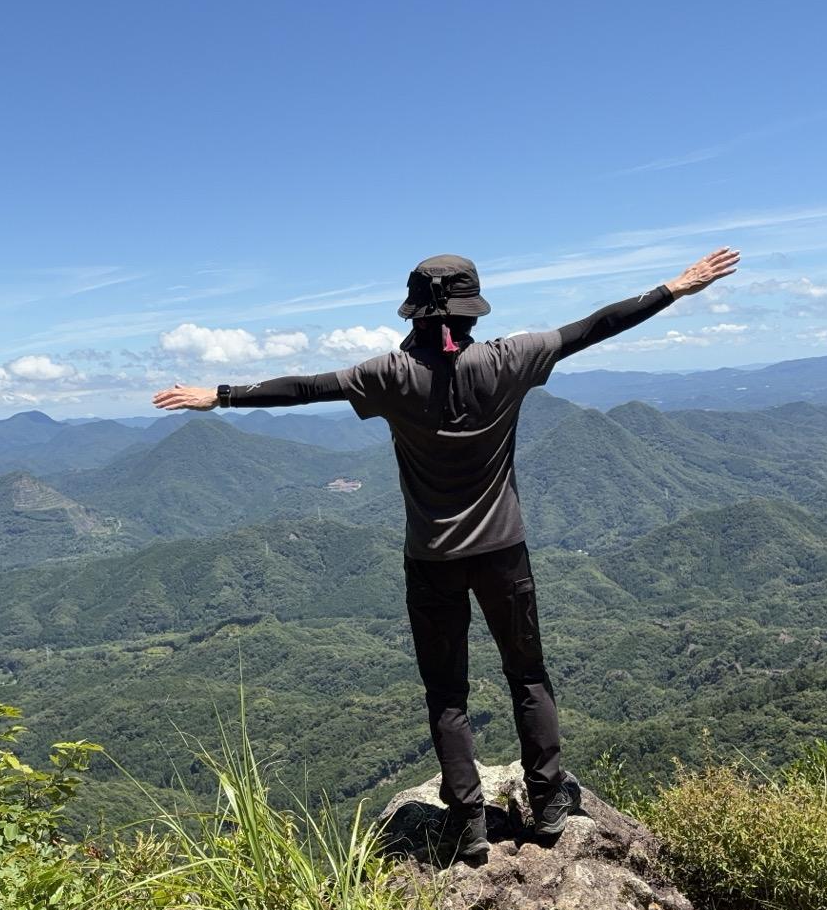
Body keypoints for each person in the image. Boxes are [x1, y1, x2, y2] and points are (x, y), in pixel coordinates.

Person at [153, 247, 740, 863]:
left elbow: (305, 387)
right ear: (472, 310)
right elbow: (596, 326)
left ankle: (467, 824)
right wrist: (674, 288)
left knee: (447, 695)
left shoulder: (388, 374)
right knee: (528, 675)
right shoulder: (511, 359)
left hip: (431, 560)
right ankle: (546, 803)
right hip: (503, 554)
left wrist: (217, 394)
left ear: (413, 310)